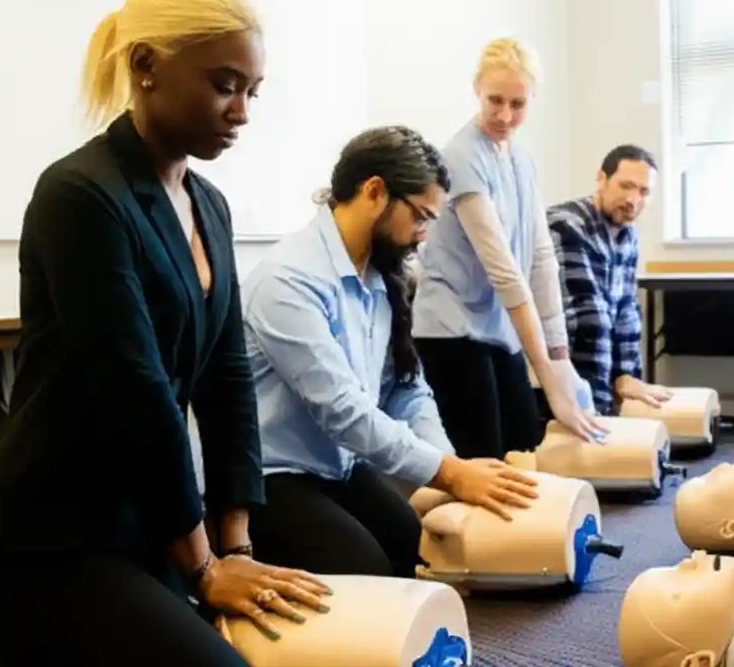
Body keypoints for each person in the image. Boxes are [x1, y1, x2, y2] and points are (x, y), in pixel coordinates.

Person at [0, 0, 329, 667]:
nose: (241, 110)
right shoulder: (81, 194)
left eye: (252, 90)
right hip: (35, 542)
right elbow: (135, 392)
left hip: (139, 527)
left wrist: (235, 543)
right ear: (146, 66)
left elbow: (229, 377)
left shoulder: (208, 205)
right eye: (224, 84)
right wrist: (206, 569)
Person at [241, 125, 539, 580]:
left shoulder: (378, 274)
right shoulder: (288, 282)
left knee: (412, 551)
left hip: (334, 466)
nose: (422, 235)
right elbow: (344, 413)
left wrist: (449, 465)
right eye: (420, 216)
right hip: (268, 479)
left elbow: (407, 390)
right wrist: (450, 474)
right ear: (375, 191)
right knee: (370, 571)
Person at [411, 37, 605, 458]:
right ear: (475, 90)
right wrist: (549, 380)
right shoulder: (460, 158)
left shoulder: (520, 159)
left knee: (524, 446)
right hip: (451, 331)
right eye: (494, 100)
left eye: (517, 104)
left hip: (498, 328)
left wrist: (559, 358)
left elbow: (539, 256)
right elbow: (506, 273)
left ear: (533, 99)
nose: (504, 115)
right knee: (486, 459)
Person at [546, 144, 669, 417]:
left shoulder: (627, 235)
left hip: (594, 365)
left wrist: (627, 375)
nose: (633, 199)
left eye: (644, 191)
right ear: (601, 178)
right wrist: (608, 392)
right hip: (558, 363)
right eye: (626, 186)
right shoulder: (566, 224)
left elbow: (626, 313)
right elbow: (587, 314)